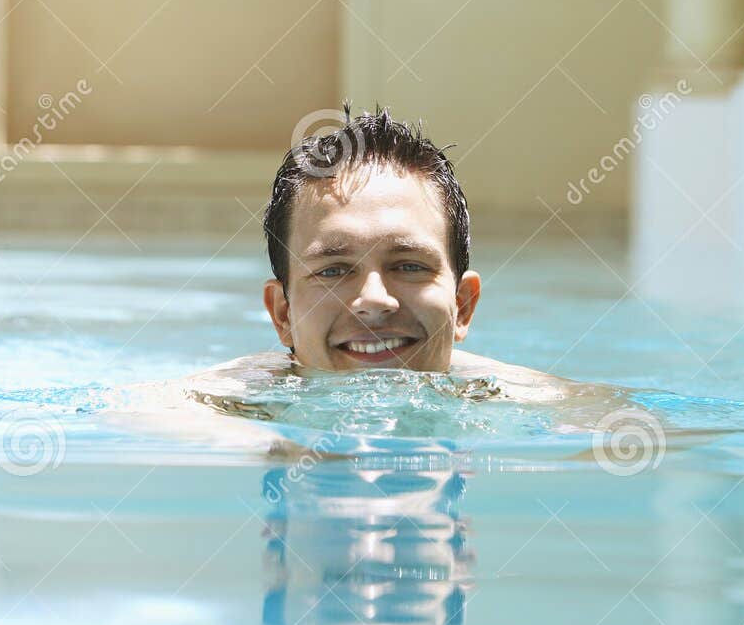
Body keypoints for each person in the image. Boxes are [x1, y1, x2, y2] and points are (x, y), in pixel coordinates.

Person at [186, 103, 594, 410]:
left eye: (409, 266)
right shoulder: (209, 413)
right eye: (332, 270)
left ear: (463, 305)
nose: (375, 300)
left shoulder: (541, 407)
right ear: (282, 314)